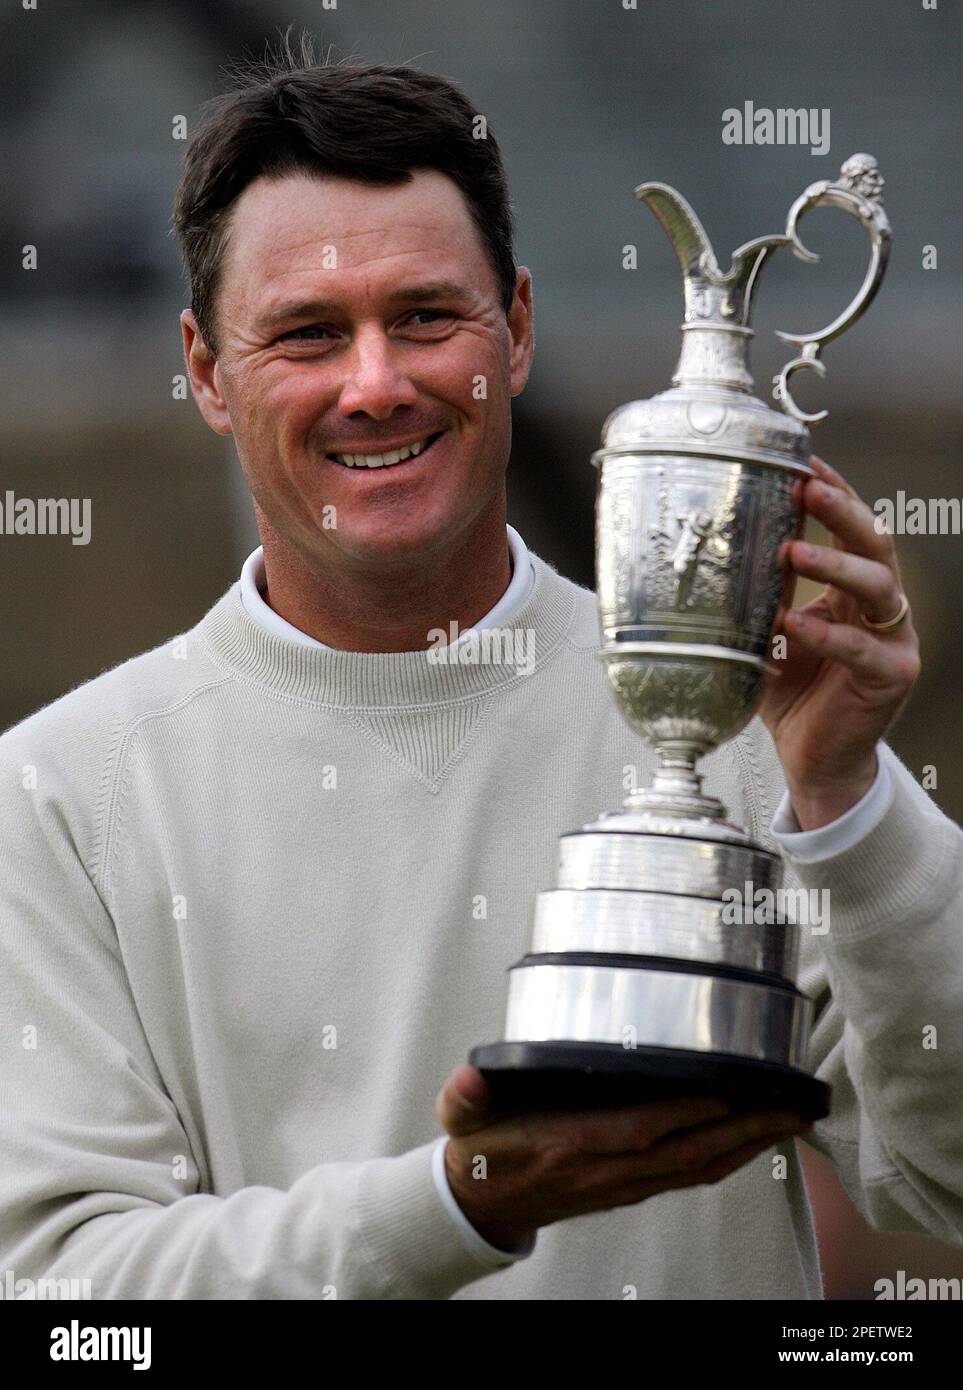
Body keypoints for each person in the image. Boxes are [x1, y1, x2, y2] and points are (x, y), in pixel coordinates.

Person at [1, 43, 960, 1302]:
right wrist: (460, 1203)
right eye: (306, 335)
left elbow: (942, 1181)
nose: (377, 384)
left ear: (513, 328)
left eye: (425, 317)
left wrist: (853, 802)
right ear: (204, 374)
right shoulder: (58, 798)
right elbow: (72, 1309)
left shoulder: (755, 730)